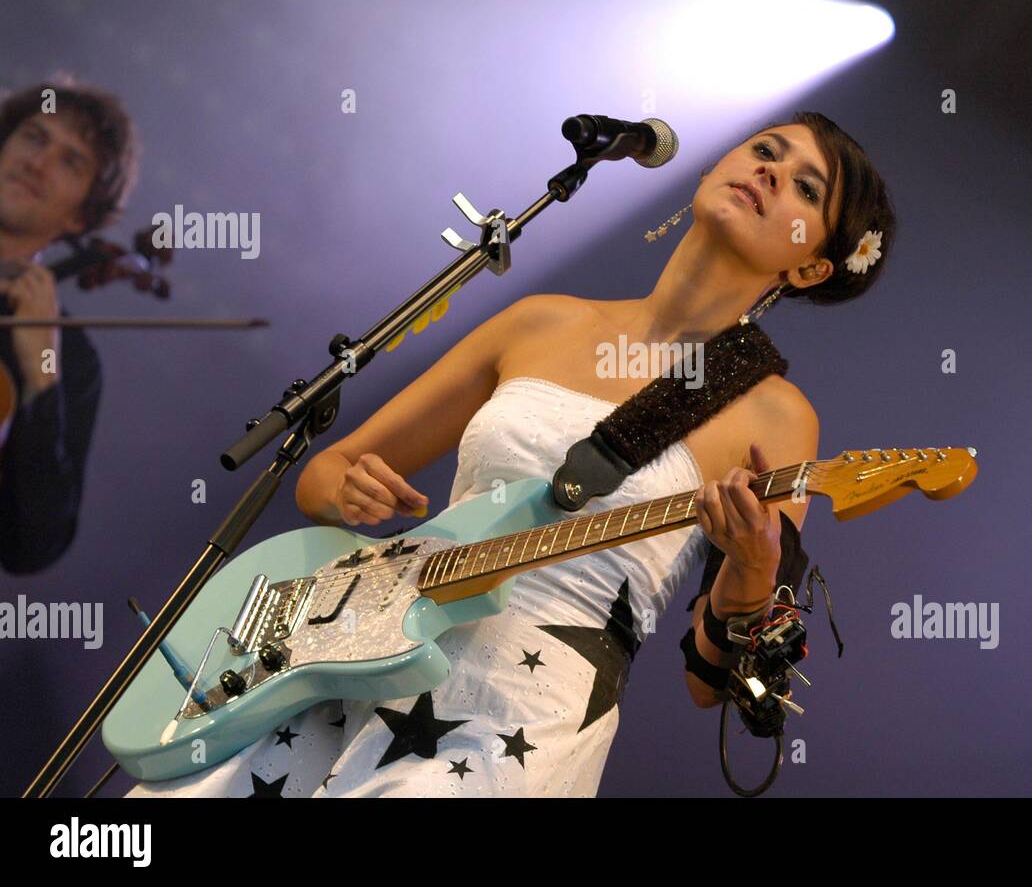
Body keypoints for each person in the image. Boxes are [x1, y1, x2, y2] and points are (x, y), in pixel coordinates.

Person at [125, 110, 895, 797]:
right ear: (711, 167)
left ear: (811, 267)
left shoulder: (773, 412)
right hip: (357, 650)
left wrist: (754, 572)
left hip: (513, 718)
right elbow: (324, 472)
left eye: (804, 186)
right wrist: (344, 490)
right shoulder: (537, 322)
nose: (768, 170)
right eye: (765, 147)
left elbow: (713, 681)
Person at [0, 78, 139, 574]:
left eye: (70, 161)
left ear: (83, 214)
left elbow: (31, 545)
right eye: (34, 138)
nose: (38, 163)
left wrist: (41, 377)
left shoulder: (70, 357)